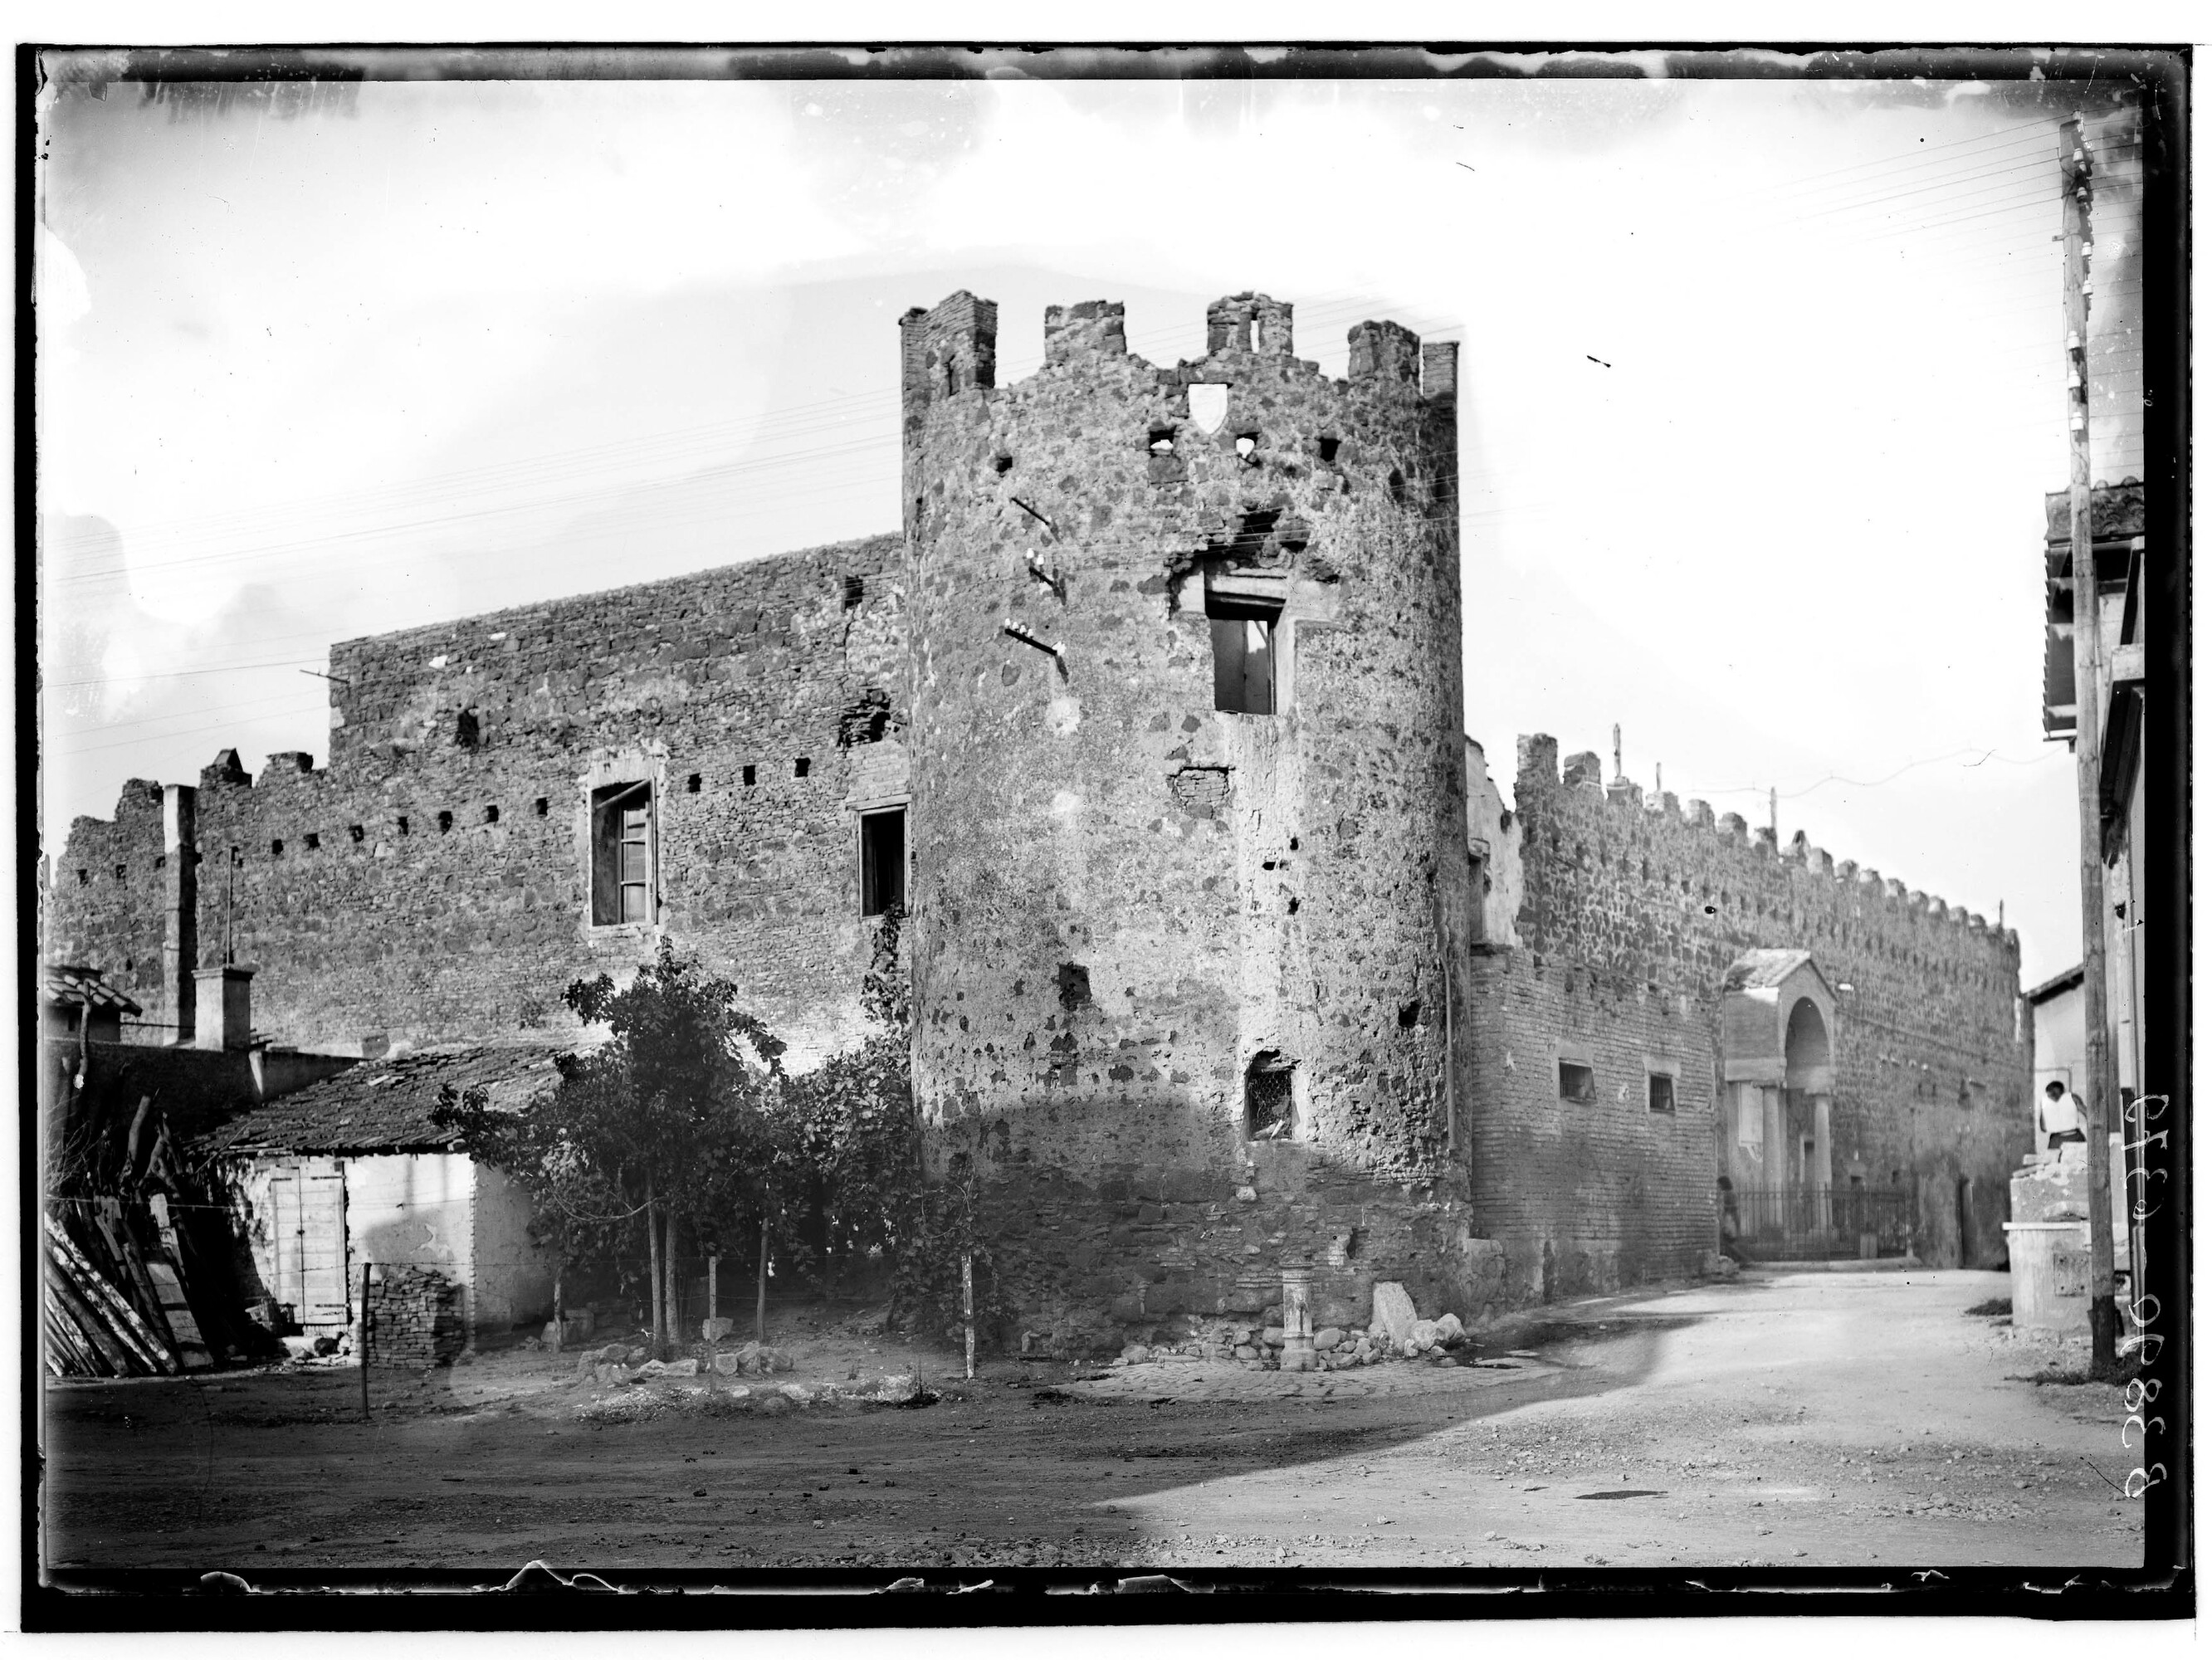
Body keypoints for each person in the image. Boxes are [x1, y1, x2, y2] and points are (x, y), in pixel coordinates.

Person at [2038, 1077, 2087, 1150]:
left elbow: (2043, 1128)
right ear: (2063, 1091)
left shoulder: (2045, 1102)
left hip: (2057, 1141)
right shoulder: (2073, 1098)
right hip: (2074, 1137)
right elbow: (2089, 1115)